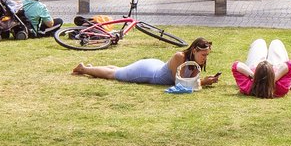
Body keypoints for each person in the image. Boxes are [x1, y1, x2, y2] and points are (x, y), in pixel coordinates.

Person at [71, 38, 219, 88]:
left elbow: (191, 81)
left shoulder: (195, 61)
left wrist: (204, 80)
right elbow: (180, 84)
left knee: (119, 69)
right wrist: (203, 82)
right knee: (114, 74)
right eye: (203, 54)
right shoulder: (179, 57)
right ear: (194, 50)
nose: (205, 58)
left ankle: (91, 68)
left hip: (155, 66)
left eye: (207, 55)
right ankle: (83, 69)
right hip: (148, 72)